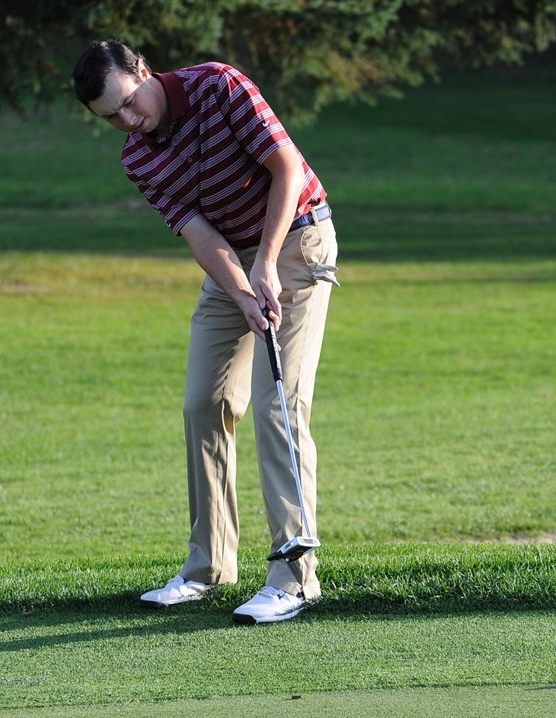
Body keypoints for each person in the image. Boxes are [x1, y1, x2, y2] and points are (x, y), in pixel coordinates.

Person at [73, 40, 339, 624]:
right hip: (232, 264)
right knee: (205, 401)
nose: (128, 121)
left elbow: (286, 168)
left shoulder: (218, 86)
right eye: (111, 118)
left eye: (128, 103)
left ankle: (295, 576)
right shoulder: (138, 157)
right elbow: (200, 234)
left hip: (295, 239)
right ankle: (210, 566)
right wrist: (242, 290)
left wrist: (265, 267)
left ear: (142, 69)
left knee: (278, 404)